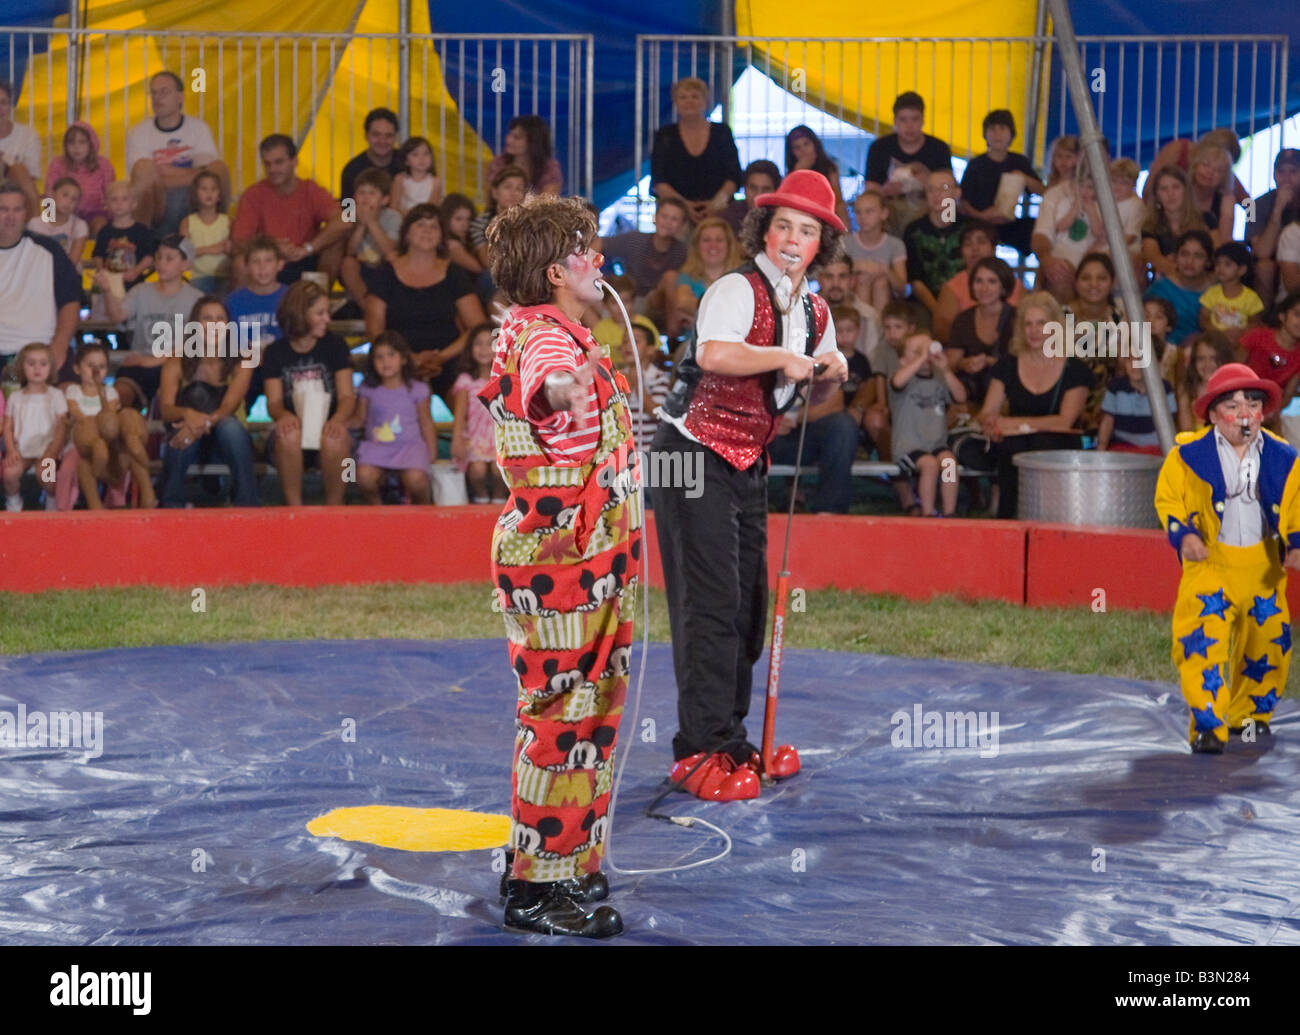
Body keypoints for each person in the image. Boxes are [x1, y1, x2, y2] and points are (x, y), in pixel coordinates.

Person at [654, 169, 847, 799]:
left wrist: (832, 367)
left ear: (822, 244)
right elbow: (714, 354)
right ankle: (696, 750)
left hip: (745, 463)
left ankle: (732, 741)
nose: (794, 239)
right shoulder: (736, 289)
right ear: (764, 230)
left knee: (747, 608)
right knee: (708, 605)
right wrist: (783, 360)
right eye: (784, 225)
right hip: (689, 456)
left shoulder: (815, 312)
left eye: (808, 230)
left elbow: (822, 366)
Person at [479, 193, 639, 939]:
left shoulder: (551, 330)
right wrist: (561, 391)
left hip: (587, 563)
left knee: (582, 712)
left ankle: (559, 853)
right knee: (565, 713)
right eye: (585, 249)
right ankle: (538, 888)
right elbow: (543, 387)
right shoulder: (544, 340)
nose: (597, 259)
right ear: (553, 272)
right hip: (563, 565)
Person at [1154, 362, 1298, 753]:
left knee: (1268, 642)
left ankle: (1249, 717)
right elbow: (1169, 501)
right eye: (1232, 405)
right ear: (1215, 414)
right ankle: (1208, 724)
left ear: (1263, 412)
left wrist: (1297, 541)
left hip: (1263, 566)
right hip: (1210, 567)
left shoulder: (1284, 457)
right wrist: (1183, 536)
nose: (1244, 413)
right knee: (1202, 642)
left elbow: (1295, 504)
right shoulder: (1187, 456)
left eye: (1251, 403)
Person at [978, 291, 1092, 519]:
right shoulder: (1008, 365)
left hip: (1058, 444)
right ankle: (1008, 522)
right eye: (1028, 324)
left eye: (1041, 323)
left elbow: (1064, 421)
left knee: (1041, 443)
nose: (1034, 330)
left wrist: (1012, 424)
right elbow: (987, 413)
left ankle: (1049, 522)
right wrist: (992, 423)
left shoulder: (1075, 369)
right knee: (1012, 448)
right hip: (1014, 443)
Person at [364, 203, 487, 406]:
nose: (427, 231)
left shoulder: (455, 273)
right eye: (420, 224)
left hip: (449, 359)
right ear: (406, 234)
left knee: (471, 401)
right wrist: (409, 358)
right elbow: (374, 329)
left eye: (434, 226)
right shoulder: (385, 274)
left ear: (442, 236)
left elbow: (477, 326)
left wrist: (440, 357)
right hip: (396, 361)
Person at [156, 295, 258, 508]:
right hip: (188, 438)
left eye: (220, 319)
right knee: (182, 435)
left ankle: (247, 504)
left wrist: (200, 423)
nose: (214, 325)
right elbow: (165, 410)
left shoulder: (242, 362)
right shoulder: (176, 362)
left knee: (229, 426)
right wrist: (187, 415)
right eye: (207, 319)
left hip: (227, 440)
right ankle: (170, 506)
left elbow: (228, 406)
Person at [261, 280, 356, 506]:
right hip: (295, 429)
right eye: (320, 313)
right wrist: (284, 416)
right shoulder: (276, 352)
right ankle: (294, 507)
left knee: (337, 437)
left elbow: (347, 396)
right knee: (288, 436)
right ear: (301, 315)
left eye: (327, 312)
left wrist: (337, 419)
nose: (327, 319)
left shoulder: (335, 346)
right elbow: (273, 403)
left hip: (327, 425)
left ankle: (336, 505)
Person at [97, 234, 204, 412]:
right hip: (140, 363)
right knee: (117, 397)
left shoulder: (197, 299)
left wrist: (151, 361)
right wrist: (108, 291)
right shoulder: (141, 291)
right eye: (159, 257)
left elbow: (195, 345)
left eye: (169, 258)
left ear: (186, 264)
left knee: (172, 395)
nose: (162, 263)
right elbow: (118, 316)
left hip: (178, 366)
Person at [231, 134, 348, 287]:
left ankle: (318, 301)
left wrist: (307, 249)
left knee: (337, 241)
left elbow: (345, 222)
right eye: (267, 164)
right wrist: (272, 247)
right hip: (268, 263)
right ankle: (253, 308)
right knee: (240, 262)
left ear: (295, 161)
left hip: (306, 259)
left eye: (278, 162)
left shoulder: (310, 189)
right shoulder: (253, 194)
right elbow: (239, 241)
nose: (272, 169)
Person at [126, 70, 230, 234]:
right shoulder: (138, 132)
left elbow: (208, 175)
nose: (157, 97)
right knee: (143, 167)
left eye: (164, 92)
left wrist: (163, 172)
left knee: (219, 169)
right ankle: (141, 238)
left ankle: (218, 232)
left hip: (193, 199)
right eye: (153, 92)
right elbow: (141, 178)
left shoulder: (199, 129)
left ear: (180, 97)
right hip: (156, 204)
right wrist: (191, 174)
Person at [0, 181, 83, 380]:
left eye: (17, 209)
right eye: (3, 209)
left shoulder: (50, 251)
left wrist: (60, 346)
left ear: (26, 213)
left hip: (41, 351)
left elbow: (71, 301)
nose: (10, 217)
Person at [63, 340, 153, 510]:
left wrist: (101, 394)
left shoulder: (111, 392)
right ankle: (62, 504)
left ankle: (117, 501)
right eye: (90, 366)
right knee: (67, 469)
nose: (96, 371)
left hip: (107, 439)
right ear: (77, 368)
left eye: (102, 366)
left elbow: (110, 415)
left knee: (123, 454)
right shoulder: (73, 391)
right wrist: (90, 424)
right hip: (79, 443)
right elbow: (77, 413)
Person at [352, 330, 436, 505]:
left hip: (410, 448)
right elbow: (360, 418)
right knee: (363, 476)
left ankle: (424, 514)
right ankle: (379, 514)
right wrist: (337, 423)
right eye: (379, 357)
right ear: (372, 362)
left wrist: (432, 452)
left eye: (391, 355)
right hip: (376, 449)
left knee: (417, 480)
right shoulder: (367, 388)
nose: (385, 361)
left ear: (404, 359)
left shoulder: (418, 389)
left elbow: (426, 422)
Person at [890, 333, 966, 516]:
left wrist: (946, 370)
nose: (924, 356)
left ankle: (949, 513)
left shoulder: (940, 378)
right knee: (930, 465)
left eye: (928, 349)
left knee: (949, 463)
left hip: (936, 445)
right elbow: (897, 381)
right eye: (916, 352)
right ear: (903, 360)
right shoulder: (904, 379)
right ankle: (927, 513)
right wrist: (922, 357)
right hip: (909, 447)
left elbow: (961, 397)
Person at [650, 77, 742, 224]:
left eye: (695, 96)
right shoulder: (665, 135)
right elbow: (659, 180)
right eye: (683, 97)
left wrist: (714, 205)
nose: (689, 101)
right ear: (675, 103)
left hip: (719, 213)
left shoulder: (722, 132)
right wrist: (683, 207)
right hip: (675, 217)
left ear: (705, 102)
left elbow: (734, 175)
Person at [958, 109, 1045, 255]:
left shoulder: (1019, 162)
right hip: (978, 221)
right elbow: (963, 201)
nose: (997, 134)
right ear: (985, 134)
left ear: (1011, 133)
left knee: (1037, 230)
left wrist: (1024, 178)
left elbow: (1043, 191)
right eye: (992, 129)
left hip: (1008, 223)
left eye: (1002, 128)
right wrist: (981, 216)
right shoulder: (976, 164)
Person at [945, 256, 1018, 411]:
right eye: (979, 281)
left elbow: (1025, 363)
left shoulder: (1017, 318)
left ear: (1003, 287)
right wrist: (964, 363)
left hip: (1008, 390)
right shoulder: (963, 319)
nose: (984, 288)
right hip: (970, 389)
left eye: (992, 282)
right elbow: (951, 363)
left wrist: (990, 362)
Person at [3, 343, 69, 511]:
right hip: (22, 451)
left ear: (51, 367)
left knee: (46, 475)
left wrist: (52, 452)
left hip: (47, 450)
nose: (37, 368)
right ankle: (14, 501)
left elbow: (62, 427)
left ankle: (52, 498)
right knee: (9, 474)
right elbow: (8, 426)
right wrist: (11, 450)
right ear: (21, 367)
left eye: (43, 364)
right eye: (31, 364)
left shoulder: (56, 396)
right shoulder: (16, 397)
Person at [932, 220, 1025, 340]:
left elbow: (1022, 323)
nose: (974, 248)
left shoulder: (1015, 284)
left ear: (994, 249)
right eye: (968, 244)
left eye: (981, 242)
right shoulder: (951, 287)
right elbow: (941, 331)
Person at [659, 216, 742, 340]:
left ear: (729, 245)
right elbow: (683, 303)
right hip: (695, 345)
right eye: (706, 240)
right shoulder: (687, 277)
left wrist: (698, 316)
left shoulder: (741, 277)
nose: (713, 245)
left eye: (719, 240)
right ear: (697, 246)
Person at [449, 322, 505, 504]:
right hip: (475, 438)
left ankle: (499, 499)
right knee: (478, 470)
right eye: (478, 343)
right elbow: (459, 415)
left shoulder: (507, 380)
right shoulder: (466, 381)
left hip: (501, 438)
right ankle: (480, 498)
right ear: (470, 348)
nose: (484, 349)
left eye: (490, 343)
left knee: (499, 470)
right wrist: (457, 439)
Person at [903, 167, 966, 316]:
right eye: (930, 189)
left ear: (957, 193)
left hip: (963, 303)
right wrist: (938, 311)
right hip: (923, 305)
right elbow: (915, 280)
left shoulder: (970, 229)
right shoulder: (913, 230)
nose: (936, 194)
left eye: (943, 188)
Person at [600, 197, 688, 300]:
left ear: (683, 226)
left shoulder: (683, 251)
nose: (668, 222)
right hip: (630, 300)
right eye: (664, 216)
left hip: (660, 303)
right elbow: (599, 244)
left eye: (674, 219)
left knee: (671, 278)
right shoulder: (635, 239)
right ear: (654, 217)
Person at [865, 92, 954, 193]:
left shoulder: (939, 149)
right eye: (903, 120)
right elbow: (870, 191)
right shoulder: (879, 148)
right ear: (895, 121)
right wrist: (886, 191)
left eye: (915, 119)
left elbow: (949, 190)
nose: (909, 126)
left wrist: (930, 182)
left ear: (922, 120)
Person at [339, 168, 400, 306]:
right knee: (347, 263)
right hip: (362, 268)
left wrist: (371, 222)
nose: (366, 197)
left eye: (372, 193)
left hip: (384, 267)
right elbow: (350, 252)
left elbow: (390, 249)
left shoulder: (392, 216)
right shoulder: (350, 216)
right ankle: (367, 307)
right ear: (355, 197)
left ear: (384, 199)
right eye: (362, 193)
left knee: (395, 259)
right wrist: (361, 226)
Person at [1098, 349, 1177, 455]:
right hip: (1122, 448)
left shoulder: (1163, 388)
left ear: (1154, 363)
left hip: (1155, 449)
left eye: (1140, 359)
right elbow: (1107, 422)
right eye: (1129, 359)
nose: (1134, 365)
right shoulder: (1115, 387)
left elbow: (1170, 423)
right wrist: (1101, 449)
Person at [1247, 148, 1300, 304]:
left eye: (1293, 172)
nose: (1287, 178)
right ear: (1274, 174)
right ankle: (1266, 321)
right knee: (1265, 267)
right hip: (1272, 262)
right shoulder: (1253, 205)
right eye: (1281, 172)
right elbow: (1262, 252)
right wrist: (1277, 210)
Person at [1145, 229, 1215, 347]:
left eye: (1198, 256)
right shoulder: (1160, 290)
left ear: (1208, 261)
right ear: (1175, 258)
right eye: (1184, 254)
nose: (1189, 261)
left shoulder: (1216, 291)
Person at [843, 185, 907, 310]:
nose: (862, 217)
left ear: (884, 214)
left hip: (886, 298)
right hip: (853, 297)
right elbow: (838, 277)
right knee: (862, 281)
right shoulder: (846, 243)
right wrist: (858, 268)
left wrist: (884, 269)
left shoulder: (895, 244)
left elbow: (902, 288)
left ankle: (878, 327)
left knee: (881, 282)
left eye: (869, 211)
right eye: (858, 212)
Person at [44, 122, 114, 235]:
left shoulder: (104, 165)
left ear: (91, 144)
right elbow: (49, 195)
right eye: (71, 142)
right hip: (65, 214)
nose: (76, 147)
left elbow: (111, 195)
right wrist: (49, 222)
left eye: (81, 142)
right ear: (65, 145)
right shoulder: (57, 164)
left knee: (101, 227)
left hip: (97, 214)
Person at [91, 181, 157, 297]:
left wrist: (137, 271)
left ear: (134, 204)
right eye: (114, 199)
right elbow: (98, 254)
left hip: (134, 284)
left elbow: (149, 256)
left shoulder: (141, 230)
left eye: (124, 199)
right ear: (107, 204)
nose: (119, 203)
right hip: (109, 285)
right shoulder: (105, 231)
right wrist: (102, 271)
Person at [1141, 167, 1207, 281]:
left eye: (1176, 187)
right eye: (1164, 189)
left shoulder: (1206, 219)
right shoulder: (1150, 226)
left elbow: (1215, 254)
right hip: (1166, 283)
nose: (1170, 194)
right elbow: (1154, 259)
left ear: (1186, 191)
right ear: (1157, 196)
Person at [1241, 292, 1300, 408]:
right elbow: (1234, 368)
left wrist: (1271, 412)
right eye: (1297, 315)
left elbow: (1287, 396)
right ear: (1282, 316)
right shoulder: (1257, 337)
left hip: (1270, 408)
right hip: (1240, 396)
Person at [785, 125, 849, 229]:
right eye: (797, 148)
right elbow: (787, 202)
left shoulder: (829, 168)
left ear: (815, 144)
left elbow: (838, 201)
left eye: (806, 144)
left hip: (826, 220)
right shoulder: (791, 174)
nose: (803, 150)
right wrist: (798, 173)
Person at [483, 115, 562, 198]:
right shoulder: (499, 163)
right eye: (509, 135)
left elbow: (549, 202)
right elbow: (490, 198)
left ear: (533, 142)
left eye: (517, 137)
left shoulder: (549, 167)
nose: (509, 140)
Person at [1200, 241, 1263, 345]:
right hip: (1215, 341)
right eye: (1218, 263)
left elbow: (1255, 324)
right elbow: (1203, 319)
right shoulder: (1211, 293)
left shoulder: (1251, 297)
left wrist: (1240, 332)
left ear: (1242, 270)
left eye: (1227, 264)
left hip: (1241, 341)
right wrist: (1218, 333)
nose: (1221, 268)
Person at [180, 169, 232, 294]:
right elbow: (184, 254)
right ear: (195, 194)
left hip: (226, 276)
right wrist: (212, 249)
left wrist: (199, 250)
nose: (209, 193)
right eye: (204, 189)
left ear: (219, 195)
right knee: (183, 308)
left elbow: (232, 248)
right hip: (199, 278)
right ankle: (177, 315)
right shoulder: (187, 222)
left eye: (213, 189)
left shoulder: (229, 221)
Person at [469, 164, 529, 270]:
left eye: (519, 189)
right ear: (495, 193)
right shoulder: (480, 223)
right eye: (507, 187)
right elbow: (488, 262)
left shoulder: (531, 222)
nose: (513, 193)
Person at [339, 107, 402, 202]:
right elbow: (348, 213)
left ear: (396, 137)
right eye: (376, 135)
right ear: (366, 135)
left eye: (388, 135)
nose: (382, 141)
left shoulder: (408, 164)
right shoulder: (352, 171)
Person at [0, 80, 42, 218]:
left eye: (3, 103)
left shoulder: (27, 135)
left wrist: (7, 166)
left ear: (10, 106)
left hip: (19, 196)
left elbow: (30, 178)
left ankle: (36, 226)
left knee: (18, 169)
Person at [1176, 330, 1233, 432]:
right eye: (1201, 359)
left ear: (1224, 359)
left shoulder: (1235, 388)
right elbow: (1186, 430)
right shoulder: (1187, 389)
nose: (1207, 364)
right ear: (1194, 362)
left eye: (1213, 358)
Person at [27, 177, 88, 263]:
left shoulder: (79, 226)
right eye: (65, 195)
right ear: (52, 194)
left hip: (67, 273)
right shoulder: (35, 224)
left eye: (74, 199)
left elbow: (72, 263)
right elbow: (31, 257)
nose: (69, 201)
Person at [721, 159, 779, 237]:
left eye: (766, 189)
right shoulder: (729, 218)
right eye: (753, 188)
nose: (758, 195)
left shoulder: (782, 219)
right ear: (744, 189)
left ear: (776, 191)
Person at [391, 136, 443, 215]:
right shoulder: (400, 179)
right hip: (403, 218)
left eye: (426, 153)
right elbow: (394, 207)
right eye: (415, 154)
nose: (421, 158)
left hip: (426, 217)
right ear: (406, 161)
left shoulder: (436, 181)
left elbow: (432, 207)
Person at [440, 193, 482, 275]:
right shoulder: (452, 245)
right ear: (446, 219)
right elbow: (478, 269)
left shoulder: (466, 241)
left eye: (468, 219)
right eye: (458, 219)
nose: (465, 224)